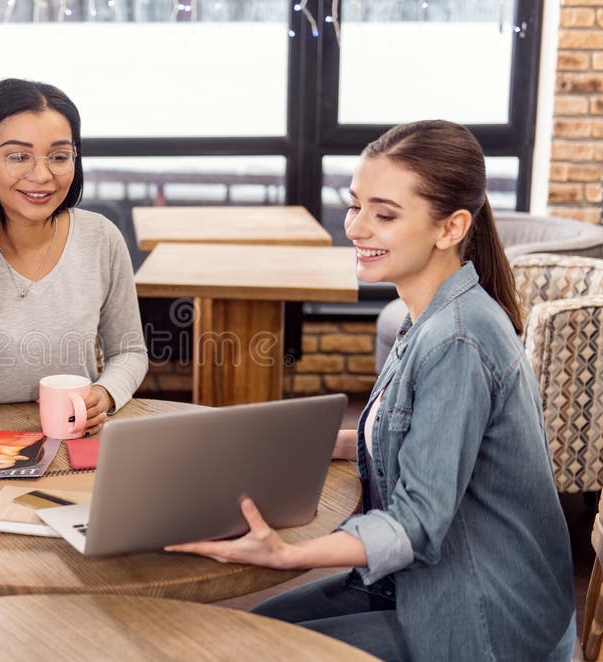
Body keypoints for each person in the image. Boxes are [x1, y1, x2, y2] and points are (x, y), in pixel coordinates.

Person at [167, 120, 575, 661]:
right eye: (355, 205)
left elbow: (416, 524)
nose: (356, 228)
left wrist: (289, 555)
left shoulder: (457, 338)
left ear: (450, 228)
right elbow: (405, 430)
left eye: (383, 214)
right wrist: (270, 442)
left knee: (243, 649)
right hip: (417, 584)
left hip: (478, 618)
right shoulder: (429, 315)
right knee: (236, 636)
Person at [0, 78, 148, 436]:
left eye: (59, 156)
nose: (41, 175)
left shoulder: (101, 238)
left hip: (72, 441)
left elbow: (129, 351)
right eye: (18, 157)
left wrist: (105, 392)